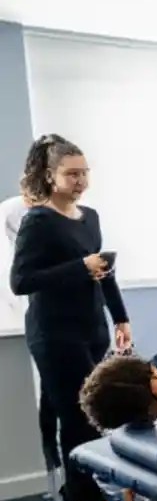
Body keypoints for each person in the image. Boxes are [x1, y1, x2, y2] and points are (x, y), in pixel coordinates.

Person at [10, 134, 132, 501]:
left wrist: (120, 317)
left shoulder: (90, 217)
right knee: (79, 418)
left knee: (83, 413)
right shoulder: (38, 221)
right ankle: (88, 500)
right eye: (71, 174)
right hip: (54, 334)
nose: (80, 181)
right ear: (51, 175)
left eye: (84, 173)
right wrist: (80, 267)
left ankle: (78, 488)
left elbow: (102, 270)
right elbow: (21, 281)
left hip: (91, 328)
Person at [1, 192, 61, 475]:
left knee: (52, 392)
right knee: (44, 394)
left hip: (55, 321)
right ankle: (48, 460)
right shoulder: (13, 213)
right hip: (29, 322)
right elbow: (16, 282)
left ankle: (54, 460)